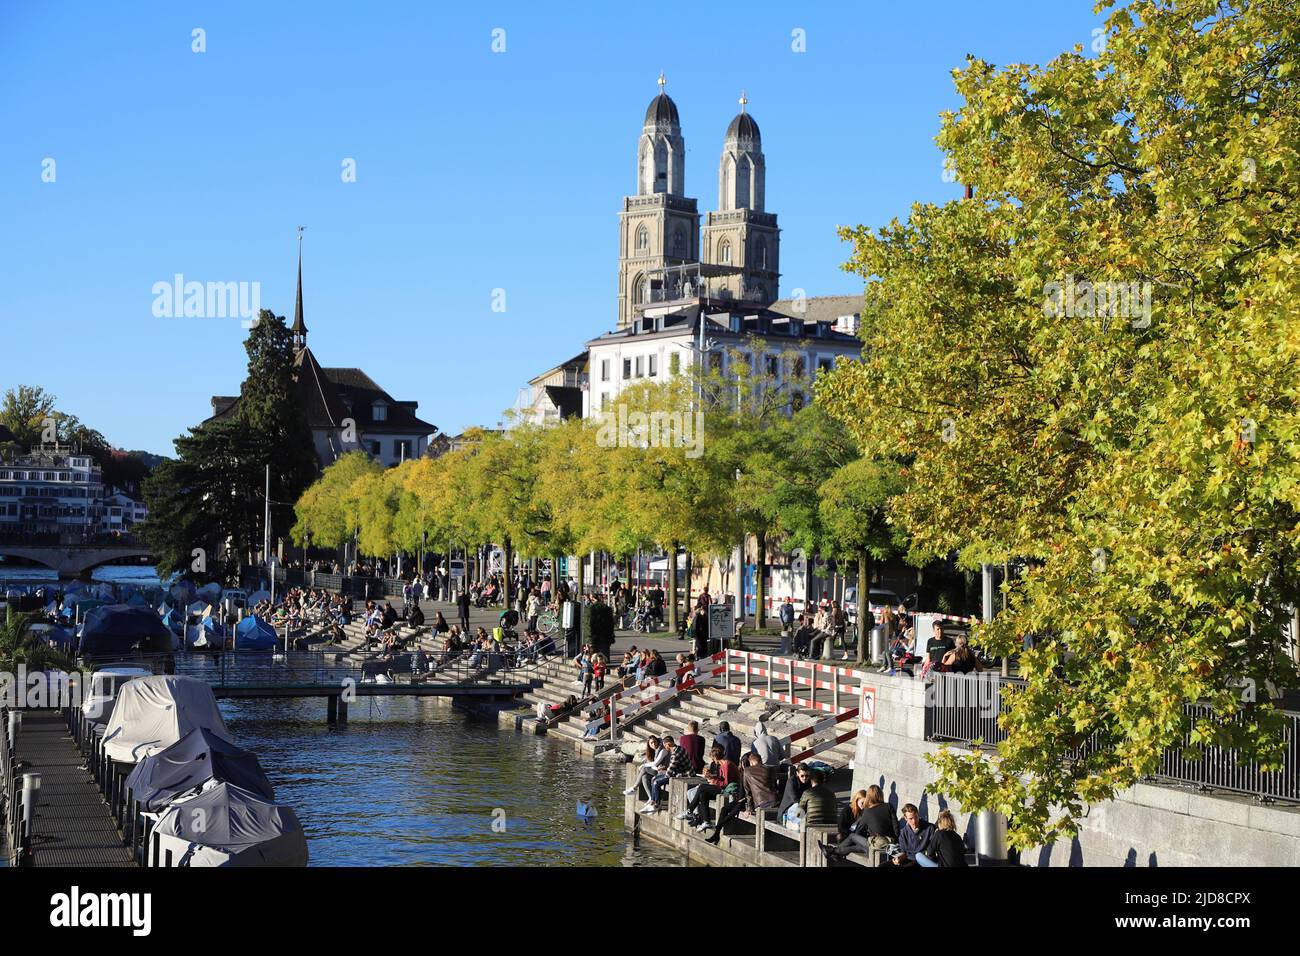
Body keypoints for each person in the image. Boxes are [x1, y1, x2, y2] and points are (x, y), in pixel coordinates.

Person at [703, 752, 779, 844]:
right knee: (727, 808)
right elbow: (774, 787)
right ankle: (717, 832)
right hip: (764, 800)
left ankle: (718, 827)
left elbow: (746, 793)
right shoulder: (769, 769)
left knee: (734, 806)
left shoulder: (747, 772)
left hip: (753, 802)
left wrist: (748, 808)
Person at [824, 785, 898, 863]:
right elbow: (896, 828)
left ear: (868, 797)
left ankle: (832, 850)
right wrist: (895, 842)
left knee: (852, 836)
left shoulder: (867, 811)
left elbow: (858, 831)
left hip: (875, 844)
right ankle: (834, 853)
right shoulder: (889, 806)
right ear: (881, 794)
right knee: (855, 847)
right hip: (890, 843)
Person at [682, 744, 741, 828]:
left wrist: (714, 781)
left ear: (716, 757)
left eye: (713, 758)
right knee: (703, 794)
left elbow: (726, 783)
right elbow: (721, 778)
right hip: (724, 788)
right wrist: (711, 777)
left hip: (730, 790)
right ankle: (706, 821)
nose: (713, 760)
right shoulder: (723, 764)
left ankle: (690, 811)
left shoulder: (727, 765)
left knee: (702, 787)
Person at [641, 735, 691, 813]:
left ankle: (656, 805)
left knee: (656, 782)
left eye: (665, 745)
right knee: (654, 778)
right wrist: (663, 770)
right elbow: (672, 768)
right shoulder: (680, 748)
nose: (664, 748)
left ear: (668, 744)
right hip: (678, 772)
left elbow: (669, 774)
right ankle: (653, 802)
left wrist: (662, 772)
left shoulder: (675, 754)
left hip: (684, 775)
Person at [623, 736, 670, 802]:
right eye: (651, 743)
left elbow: (655, 763)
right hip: (657, 771)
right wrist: (655, 768)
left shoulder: (662, 750)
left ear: (657, 741)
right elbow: (653, 765)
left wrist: (644, 765)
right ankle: (651, 798)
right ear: (649, 745)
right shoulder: (653, 752)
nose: (654, 744)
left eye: (655, 742)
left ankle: (634, 787)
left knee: (644, 769)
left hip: (664, 772)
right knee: (644, 777)